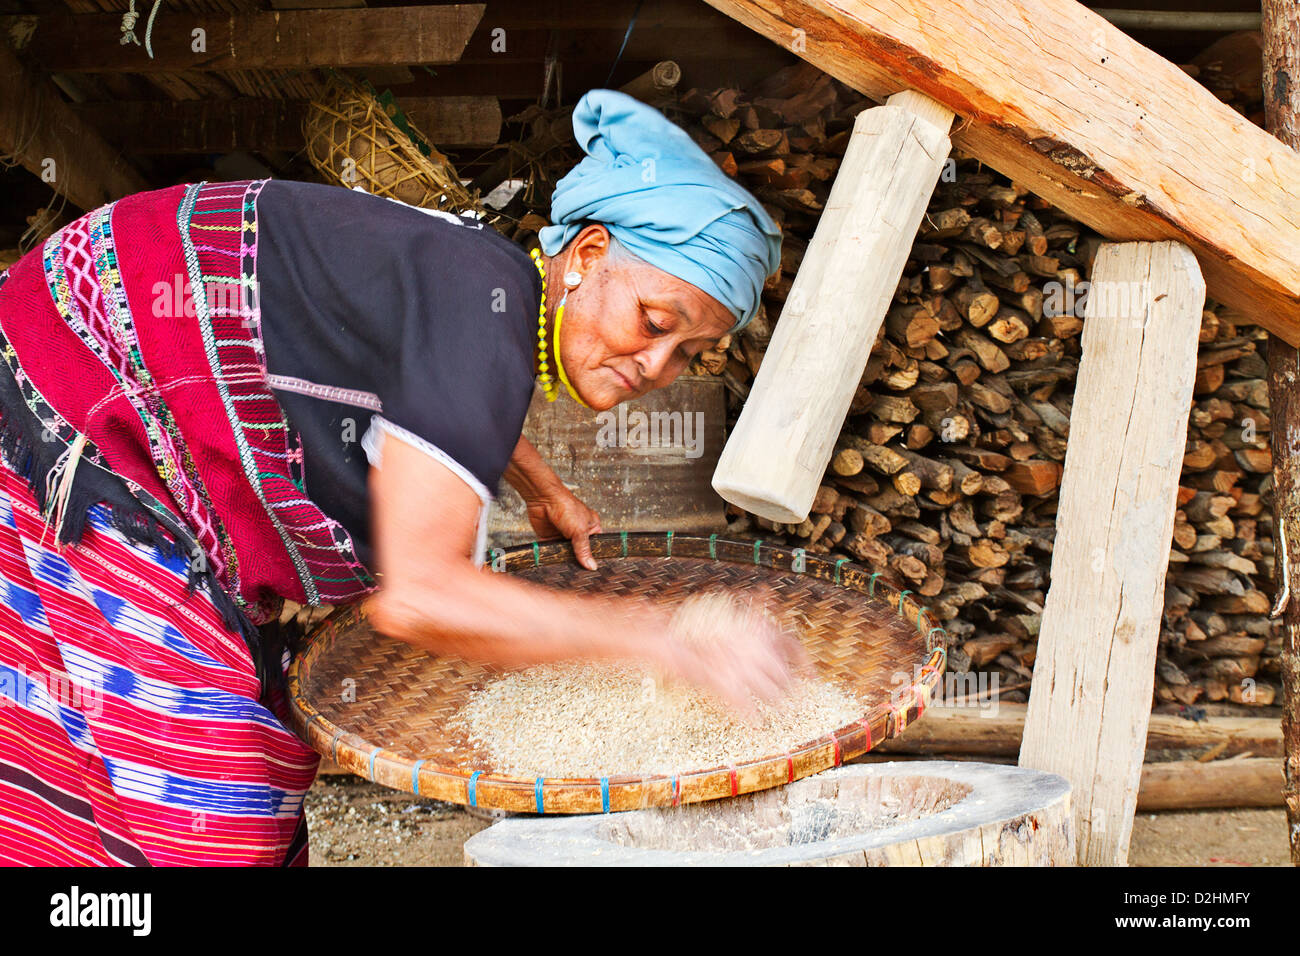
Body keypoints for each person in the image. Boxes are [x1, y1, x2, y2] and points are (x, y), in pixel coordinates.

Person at [0, 88, 792, 866]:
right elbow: (422, 598)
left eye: (688, 352)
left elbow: (423, 384)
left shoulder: (490, 288)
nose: (657, 364)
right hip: (77, 384)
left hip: (113, 368)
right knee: (205, 796)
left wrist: (541, 486)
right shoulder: (484, 320)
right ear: (587, 256)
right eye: (654, 323)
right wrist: (670, 640)